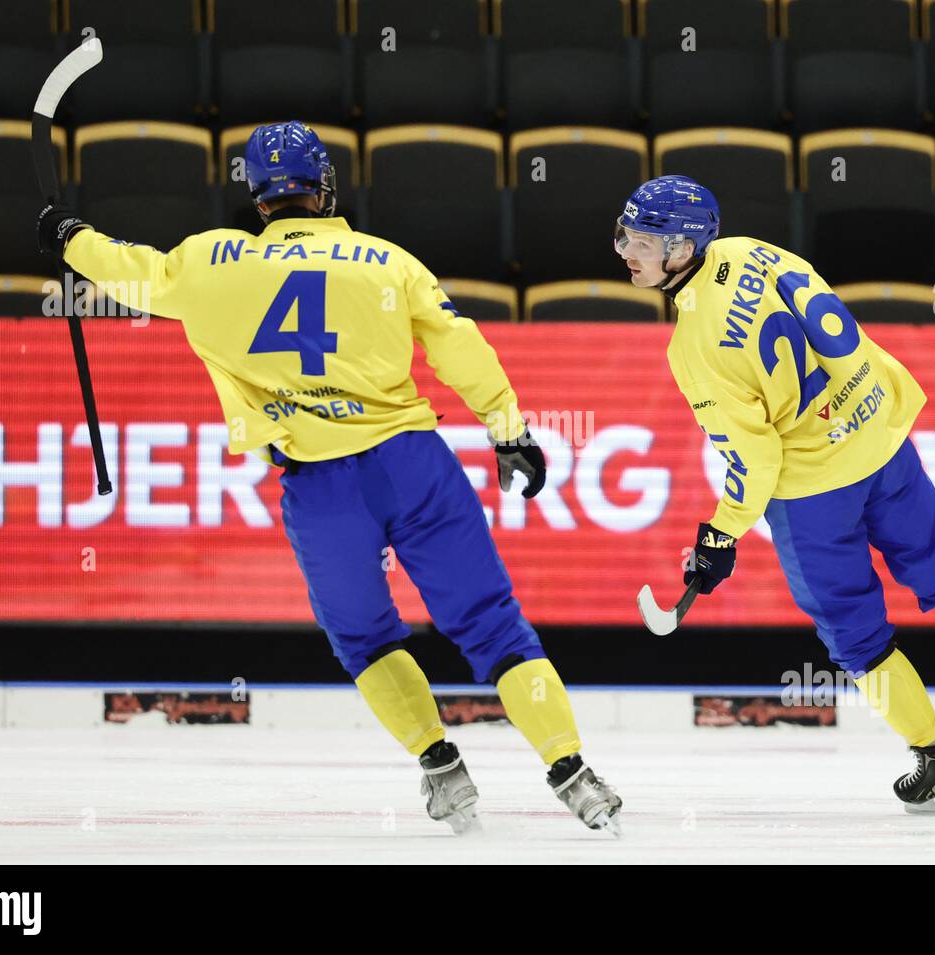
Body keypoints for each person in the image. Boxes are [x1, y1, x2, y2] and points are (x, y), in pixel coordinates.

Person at [36, 120, 621, 834]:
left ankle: (441, 768)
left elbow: (136, 271)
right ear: (325, 190)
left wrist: (69, 237)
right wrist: (508, 430)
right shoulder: (386, 260)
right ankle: (573, 773)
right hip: (413, 465)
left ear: (257, 199)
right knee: (493, 625)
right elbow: (459, 346)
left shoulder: (210, 262)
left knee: (366, 638)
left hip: (320, 484)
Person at [614, 174, 935, 814]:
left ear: (684, 248)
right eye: (625, 235)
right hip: (881, 441)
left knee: (857, 640)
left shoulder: (693, 346)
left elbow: (755, 458)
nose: (626, 252)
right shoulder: (757, 250)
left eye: (642, 240)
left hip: (814, 493)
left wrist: (719, 534)